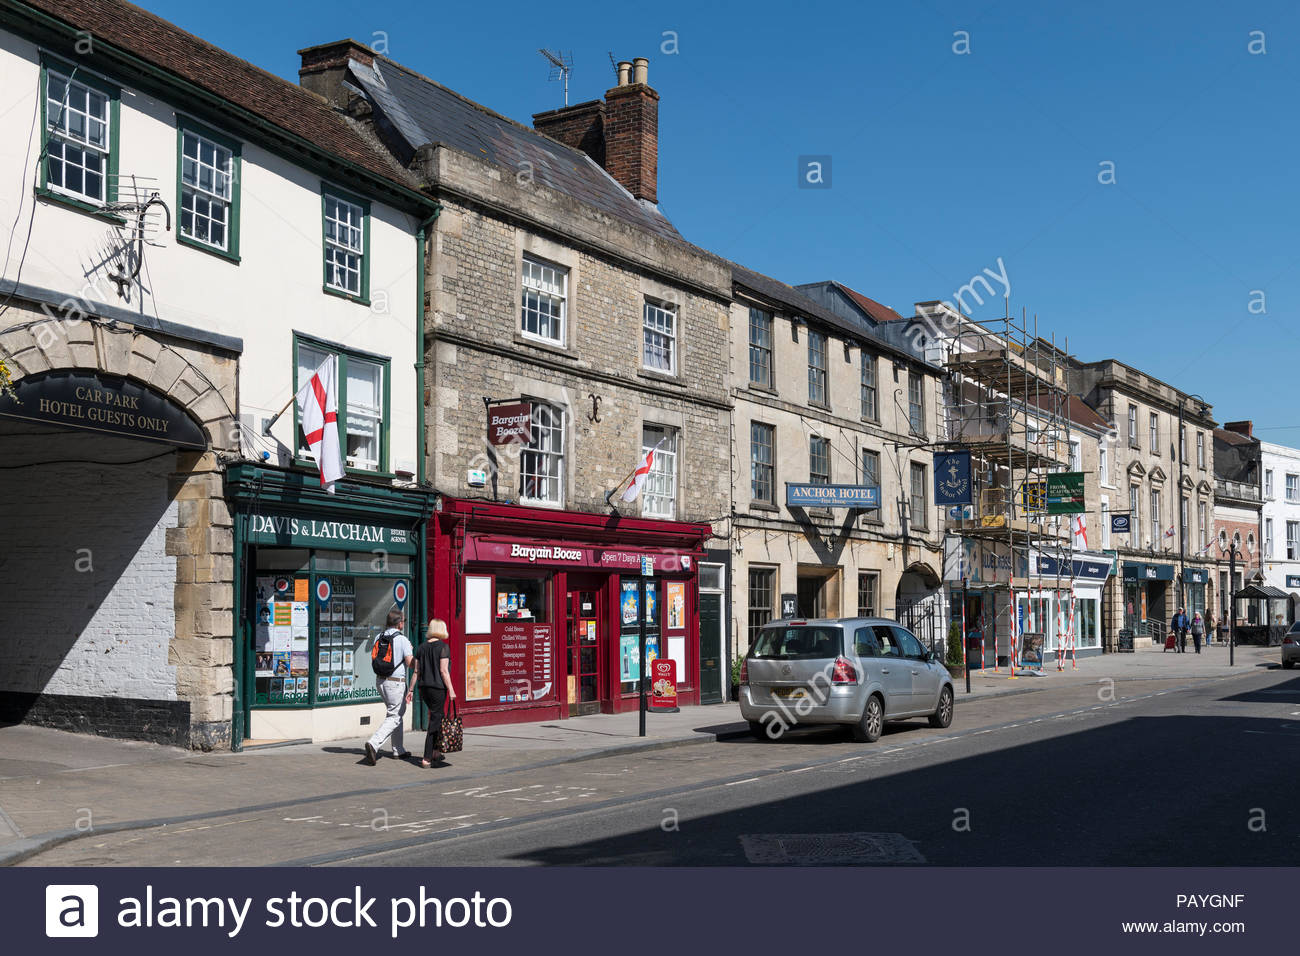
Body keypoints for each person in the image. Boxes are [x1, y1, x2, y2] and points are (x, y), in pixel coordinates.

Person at [363, 609, 415, 765]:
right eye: (403, 621)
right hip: (395, 682)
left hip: (380, 681)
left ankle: (398, 749)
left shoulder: (379, 636)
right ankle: (374, 743)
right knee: (395, 715)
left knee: (395, 712)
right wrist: (411, 652)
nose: (403, 624)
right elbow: (410, 663)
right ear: (400, 623)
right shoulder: (402, 640)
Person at [408, 618, 458, 767]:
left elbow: (416, 671)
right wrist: (451, 689)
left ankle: (436, 750)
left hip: (424, 689)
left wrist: (410, 689)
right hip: (437, 689)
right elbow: (444, 671)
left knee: (438, 717)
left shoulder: (421, 648)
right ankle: (426, 757)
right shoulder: (443, 648)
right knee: (435, 721)